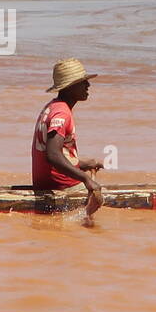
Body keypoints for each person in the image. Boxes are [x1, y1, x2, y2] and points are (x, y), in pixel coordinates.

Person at [31, 58, 105, 214]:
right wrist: (86, 179)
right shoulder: (62, 113)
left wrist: (83, 164)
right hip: (59, 184)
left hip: (44, 182)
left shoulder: (52, 106)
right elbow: (53, 155)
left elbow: (55, 152)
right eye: (83, 82)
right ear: (70, 87)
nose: (88, 85)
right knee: (104, 202)